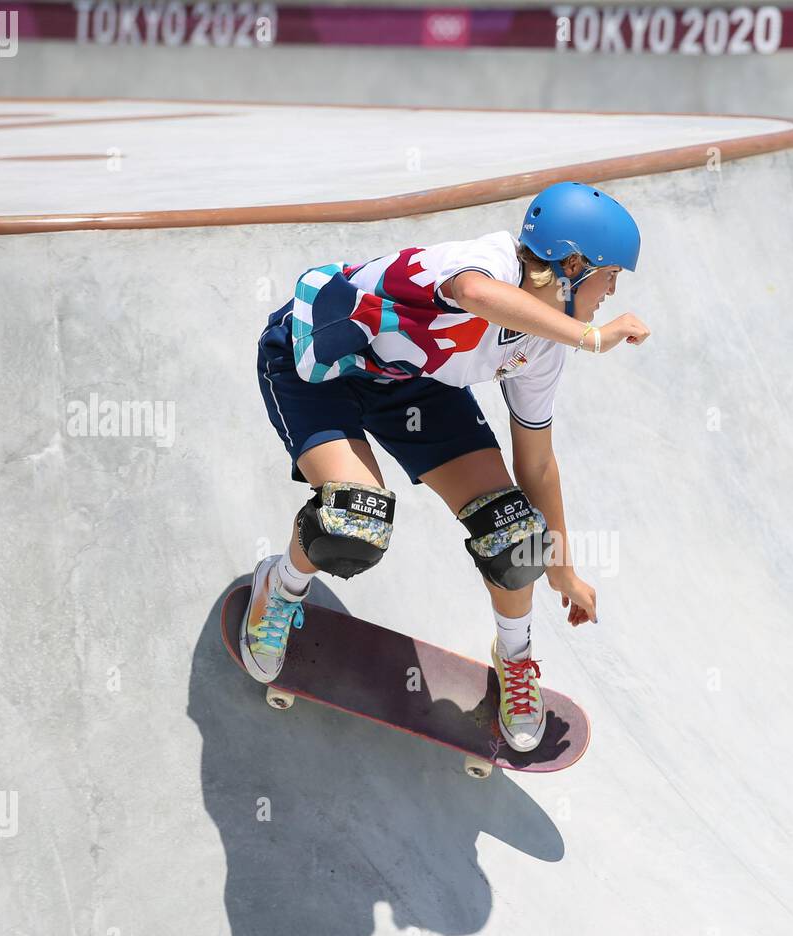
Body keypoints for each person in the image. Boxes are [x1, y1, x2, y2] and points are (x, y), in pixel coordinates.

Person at [243, 181, 649, 751]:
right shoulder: (485, 262)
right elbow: (476, 296)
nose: (611, 292)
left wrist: (561, 565)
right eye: (611, 276)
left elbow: (537, 463)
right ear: (574, 264)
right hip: (317, 363)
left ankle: (515, 655)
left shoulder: (542, 349)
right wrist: (591, 336)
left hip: (410, 385)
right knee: (353, 524)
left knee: (518, 538)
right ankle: (279, 587)